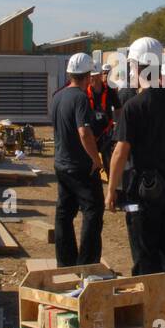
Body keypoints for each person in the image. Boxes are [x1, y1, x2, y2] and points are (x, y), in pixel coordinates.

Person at [107, 38, 165, 307]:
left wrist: (111, 190)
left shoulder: (134, 106)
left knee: (145, 260)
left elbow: (121, 152)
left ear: (135, 66)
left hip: (143, 195)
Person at [51, 53, 105, 266]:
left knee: (64, 214)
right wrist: (96, 158)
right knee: (93, 212)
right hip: (81, 167)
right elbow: (84, 132)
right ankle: (88, 263)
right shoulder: (81, 98)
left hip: (61, 164)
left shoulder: (58, 96)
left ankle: (65, 262)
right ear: (88, 76)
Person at [87, 60, 121, 173]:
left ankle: (113, 187)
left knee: (110, 166)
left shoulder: (109, 91)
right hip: (90, 134)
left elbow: (118, 109)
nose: (93, 79)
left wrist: (117, 128)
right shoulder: (85, 92)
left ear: (100, 75)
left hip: (106, 134)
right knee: (90, 166)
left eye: (95, 76)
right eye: (91, 76)